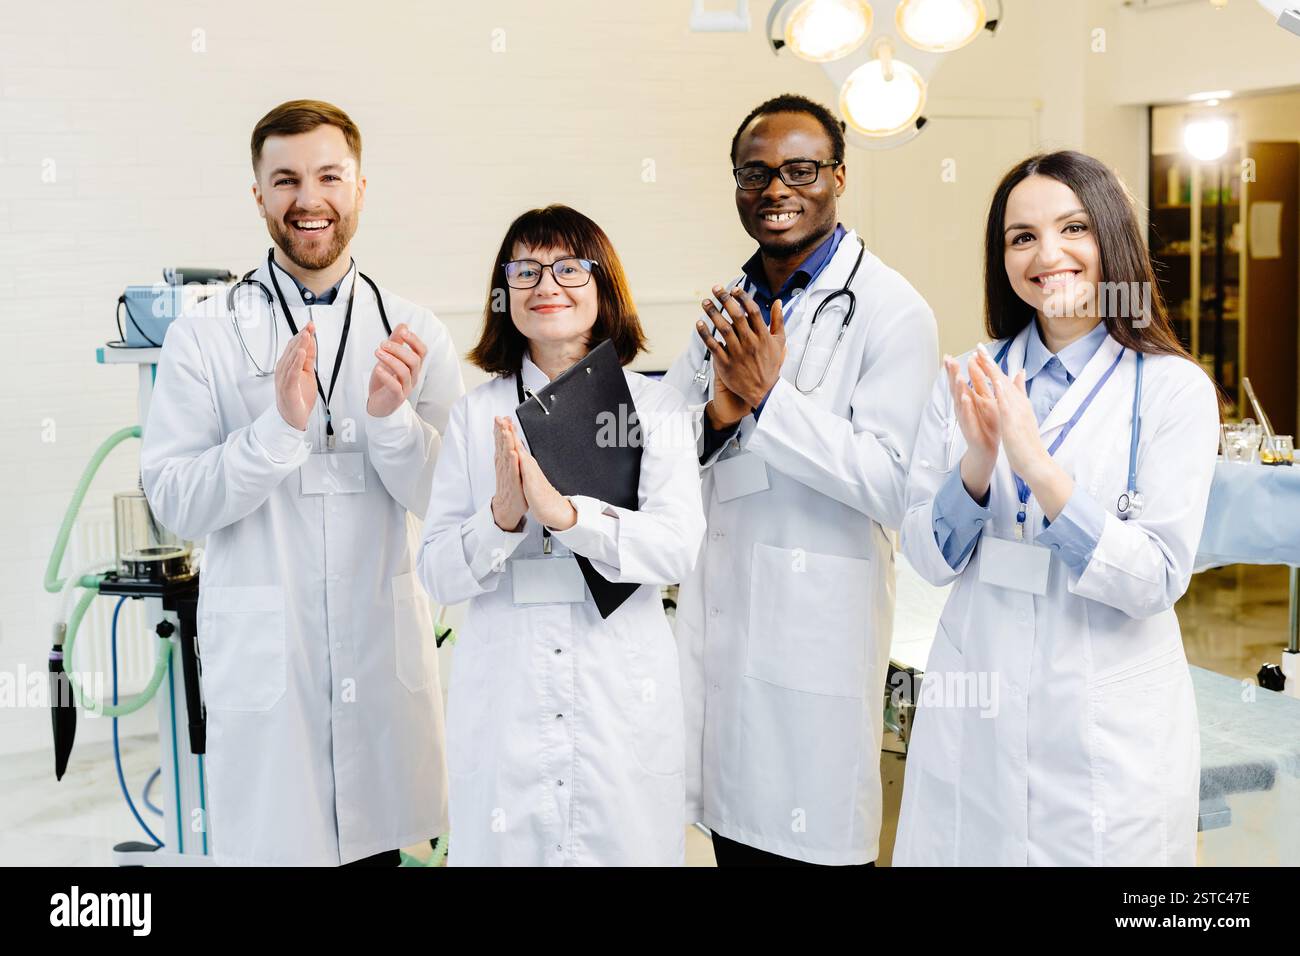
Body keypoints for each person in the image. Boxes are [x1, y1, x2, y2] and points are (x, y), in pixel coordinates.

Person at [141, 100, 464, 866]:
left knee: (377, 850)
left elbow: (454, 502)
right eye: (284, 180)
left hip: (377, 651)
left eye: (328, 176)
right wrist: (275, 432)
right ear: (259, 196)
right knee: (274, 846)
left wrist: (392, 427)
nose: (307, 199)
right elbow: (175, 498)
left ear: (359, 188)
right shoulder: (206, 334)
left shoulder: (415, 331)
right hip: (267, 655)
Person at [894, 150, 1220, 866]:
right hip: (977, 721)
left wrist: (1039, 469)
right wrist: (977, 465)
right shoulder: (970, 375)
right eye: (1021, 237)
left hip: (1104, 732)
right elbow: (923, 557)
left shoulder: (1173, 390)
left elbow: (1155, 579)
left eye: (1073, 228)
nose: (1048, 255)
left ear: (1112, 238)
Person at [664, 94, 939, 866]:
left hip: (815, 654)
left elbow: (895, 486)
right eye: (755, 172)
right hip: (724, 648)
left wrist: (769, 400)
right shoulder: (728, 303)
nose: (776, 189)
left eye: (800, 169)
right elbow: (668, 455)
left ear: (839, 177)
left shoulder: (893, 311)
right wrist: (718, 419)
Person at [417, 204, 705, 866]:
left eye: (569, 267)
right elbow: (435, 572)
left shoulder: (653, 408)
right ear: (504, 291)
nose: (547, 285)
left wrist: (569, 516)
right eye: (526, 270)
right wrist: (501, 519)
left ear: (604, 287)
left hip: (619, 695)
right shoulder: (474, 415)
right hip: (506, 698)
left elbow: (677, 547)